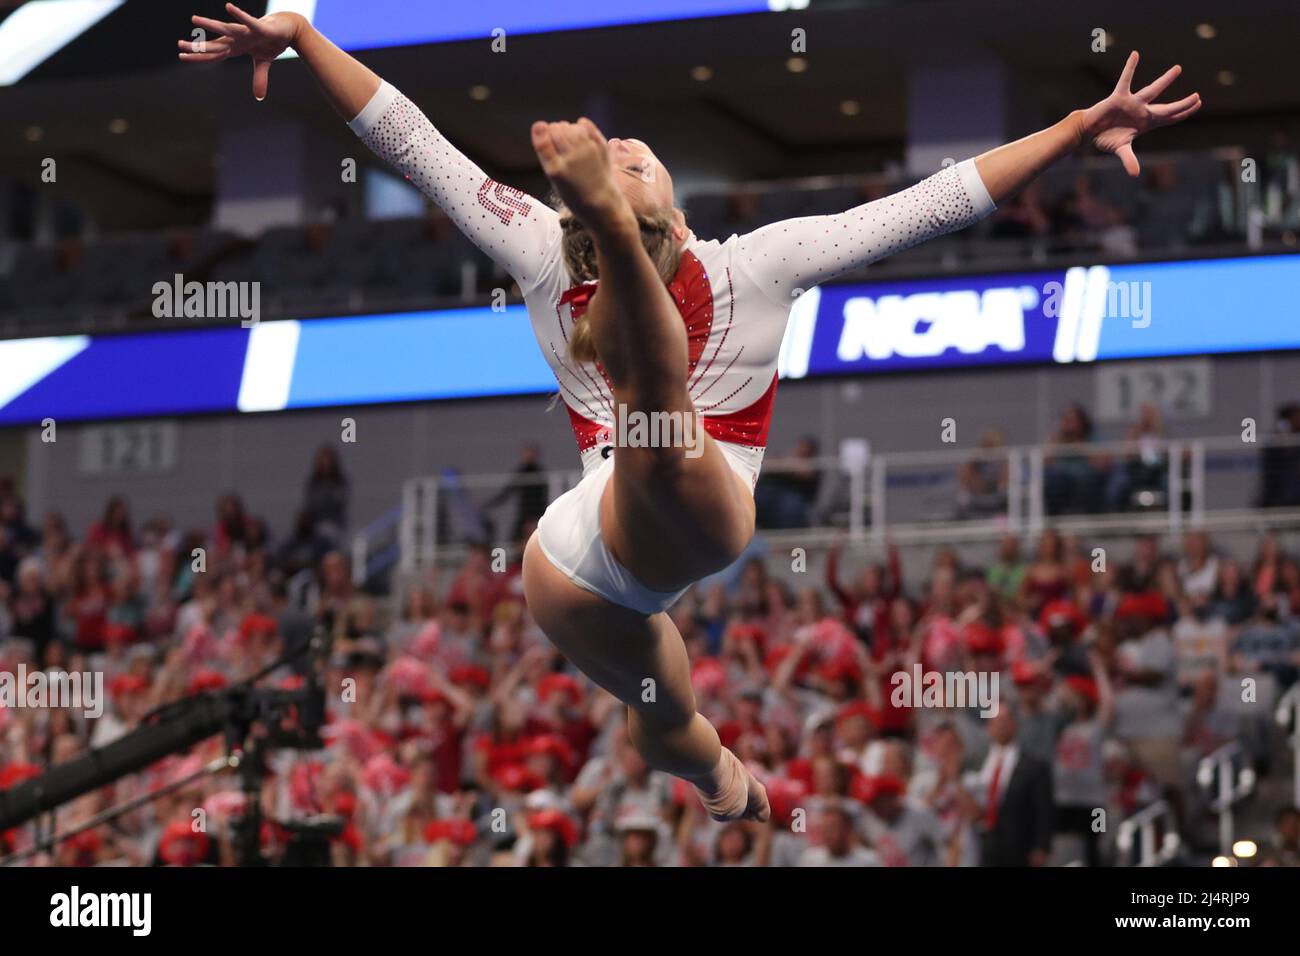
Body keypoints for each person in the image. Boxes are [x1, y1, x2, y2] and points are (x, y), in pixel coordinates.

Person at [179, 5, 1200, 823]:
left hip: (690, 501)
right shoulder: (541, 247)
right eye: (611, 165)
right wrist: (305, 34)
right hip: (571, 561)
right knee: (666, 729)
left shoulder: (757, 264)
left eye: (633, 158)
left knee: (659, 440)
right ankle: (720, 778)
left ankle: (718, 778)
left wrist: (1072, 128)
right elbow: (416, 145)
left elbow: (931, 202)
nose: (623, 148)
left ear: (676, 200)